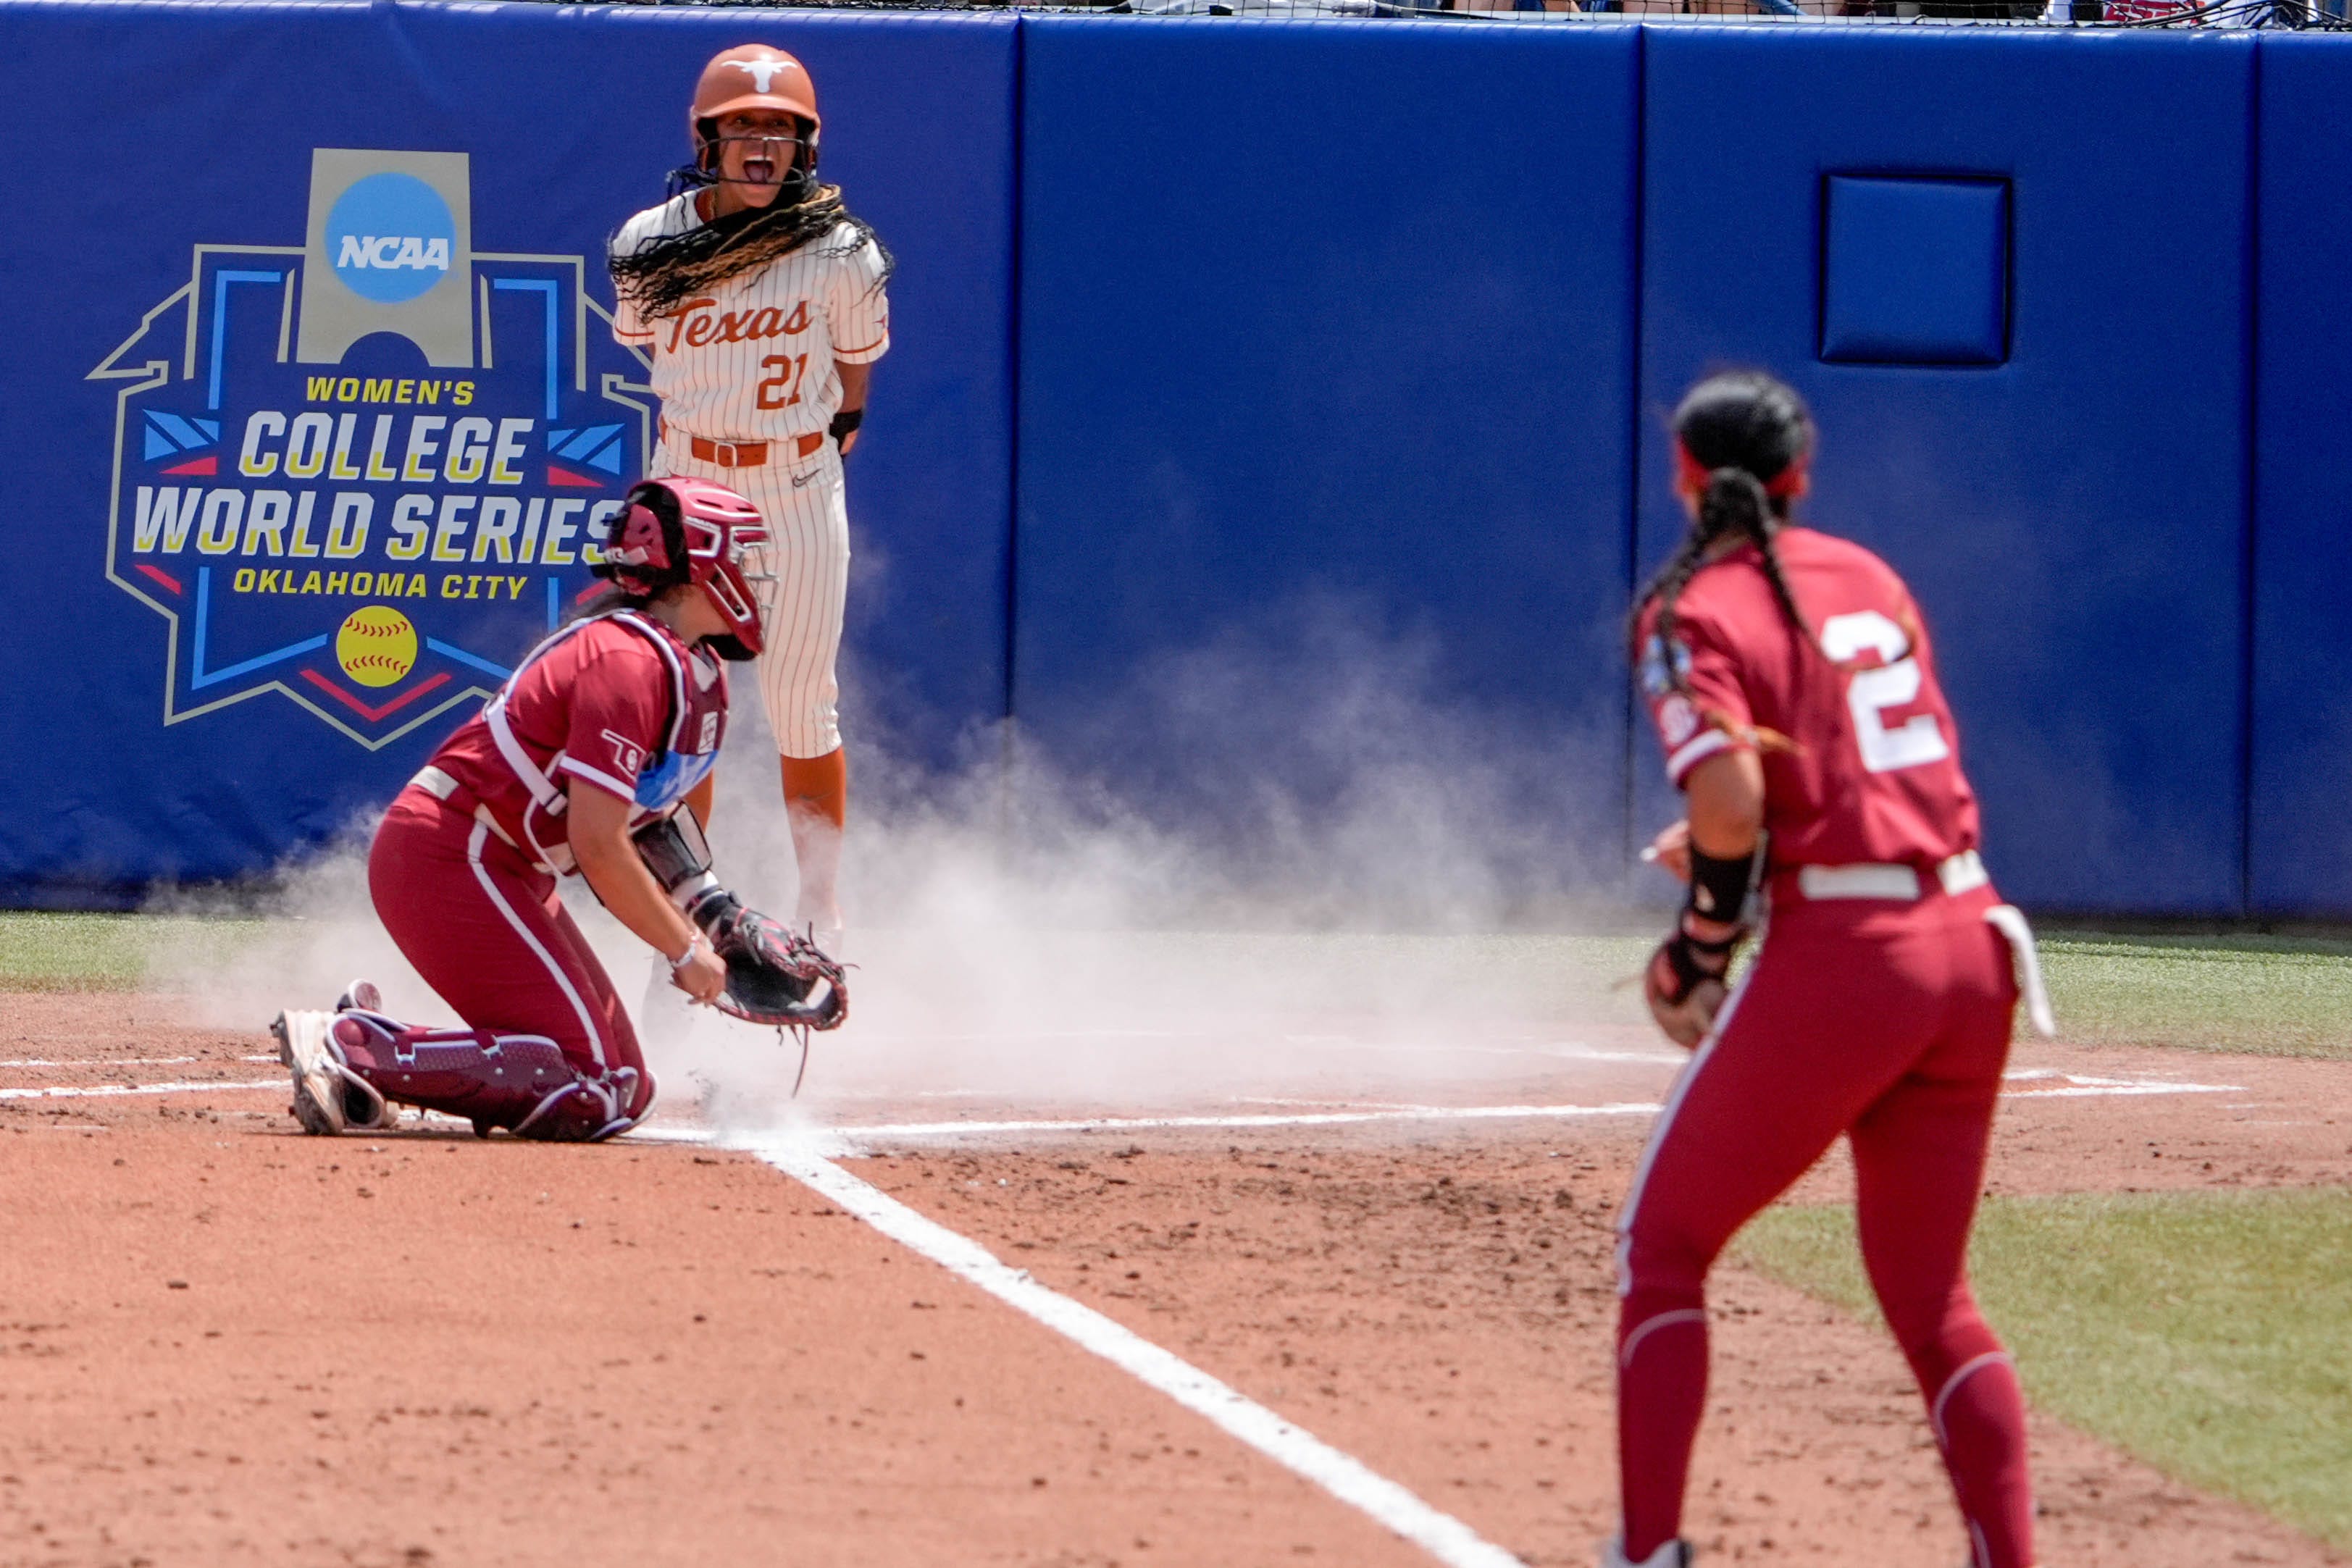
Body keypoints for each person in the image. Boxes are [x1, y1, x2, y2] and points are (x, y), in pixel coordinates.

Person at [1609, 371, 2053, 1568]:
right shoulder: (1870, 575)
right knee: (1931, 1303)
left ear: (1686, 476)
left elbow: (1731, 793)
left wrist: (1700, 941)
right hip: (1972, 943)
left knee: (1662, 1251)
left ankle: (1644, 1551)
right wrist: (1739, 849)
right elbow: (1842, 781)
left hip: (1857, 963)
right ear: (1799, 476)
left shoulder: (1687, 604)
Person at [270, 478, 771, 1141]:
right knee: (597, 1089)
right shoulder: (627, 659)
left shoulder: (686, 664)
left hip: (497, 863)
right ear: (695, 563)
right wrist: (683, 949)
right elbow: (598, 842)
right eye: (738, 557)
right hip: (451, 852)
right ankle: (356, 1046)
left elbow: (645, 816)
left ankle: (371, 1057)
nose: (751, 575)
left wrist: (712, 909)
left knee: (627, 1084)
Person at [606, 43, 893, 960]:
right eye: (742, 126)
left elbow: (857, 366)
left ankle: (818, 911)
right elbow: (644, 344)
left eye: (779, 127)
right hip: (688, 483)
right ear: (708, 139)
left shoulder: (842, 251)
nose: (760, 141)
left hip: (796, 484)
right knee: (677, 698)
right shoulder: (646, 243)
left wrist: (834, 425)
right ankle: (688, 907)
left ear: (804, 144)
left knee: (804, 698)